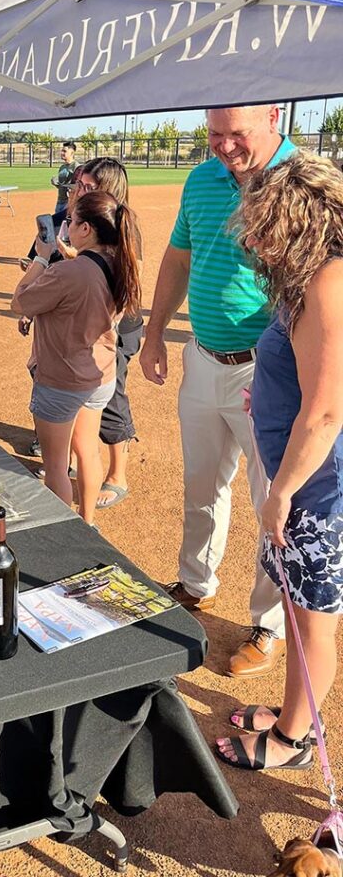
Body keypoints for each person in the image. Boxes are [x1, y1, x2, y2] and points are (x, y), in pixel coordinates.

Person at [139, 104, 294, 678]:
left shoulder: (297, 182)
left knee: (272, 502)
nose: (224, 146)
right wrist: (153, 334)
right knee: (202, 482)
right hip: (202, 358)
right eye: (214, 133)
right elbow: (180, 258)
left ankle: (269, 621)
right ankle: (195, 581)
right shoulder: (202, 178)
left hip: (270, 371)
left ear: (274, 118)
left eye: (237, 134)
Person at [215, 152, 343, 771]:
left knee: (312, 620)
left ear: (300, 220)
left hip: (317, 489)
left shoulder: (329, 283)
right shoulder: (312, 281)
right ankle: (293, 713)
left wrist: (281, 491)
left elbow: (324, 415)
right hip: (303, 480)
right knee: (295, 608)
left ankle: (292, 741)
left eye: (266, 225)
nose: (257, 241)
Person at [11, 189, 141, 524]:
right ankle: (88, 523)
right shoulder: (118, 262)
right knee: (87, 450)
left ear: (86, 230)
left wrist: (42, 259)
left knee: (56, 467)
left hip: (62, 379)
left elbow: (20, 302)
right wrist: (71, 256)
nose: (66, 225)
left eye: (72, 221)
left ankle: (65, 536)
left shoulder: (69, 273)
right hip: (99, 375)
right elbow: (86, 278)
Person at [52, 140, 78, 213]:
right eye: (62, 151)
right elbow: (61, 185)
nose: (62, 153)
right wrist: (56, 183)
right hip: (60, 201)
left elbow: (78, 185)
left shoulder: (76, 167)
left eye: (64, 151)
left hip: (69, 202)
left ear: (72, 153)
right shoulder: (62, 167)